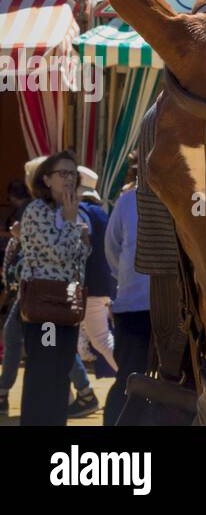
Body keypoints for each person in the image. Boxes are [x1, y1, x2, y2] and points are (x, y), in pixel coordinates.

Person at [18, 150, 91, 426]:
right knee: (43, 372)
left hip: (67, 307)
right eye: (63, 173)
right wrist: (73, 225)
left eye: (74, 173)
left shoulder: (71, 211)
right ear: (47, 179)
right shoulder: (37, 210)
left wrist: (74, 226)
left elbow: (82, 255)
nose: (70, 179)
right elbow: (58, 254)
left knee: (61, 372)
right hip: (45, 309)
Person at [102, 160, 149, 426]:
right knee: (129, 379)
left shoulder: (190, 198)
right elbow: (113, 247)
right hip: (134, 307)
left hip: (180, 311)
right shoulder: (127, 201)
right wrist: (129, 281)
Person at [74, 167, 115, 405]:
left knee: (101, 339)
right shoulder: (101, 213)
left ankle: (135, 378)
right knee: (99, 339)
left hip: (86, 287)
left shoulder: (80, 213)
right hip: (101, 285)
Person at [0, 181, 31, 419]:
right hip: (28, 297)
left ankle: (82, 390)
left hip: (47, 302)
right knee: (13, 336)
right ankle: (2, 393)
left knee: (51, 343)